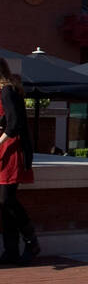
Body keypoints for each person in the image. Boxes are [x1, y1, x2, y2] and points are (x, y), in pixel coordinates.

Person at [0, 57, 39, 266]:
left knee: (6, 200)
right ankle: (11, 250)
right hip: (4, 151)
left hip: (12, 150)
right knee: (3, 204)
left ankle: (32, 241)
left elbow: (13, 124)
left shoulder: (7, 91)